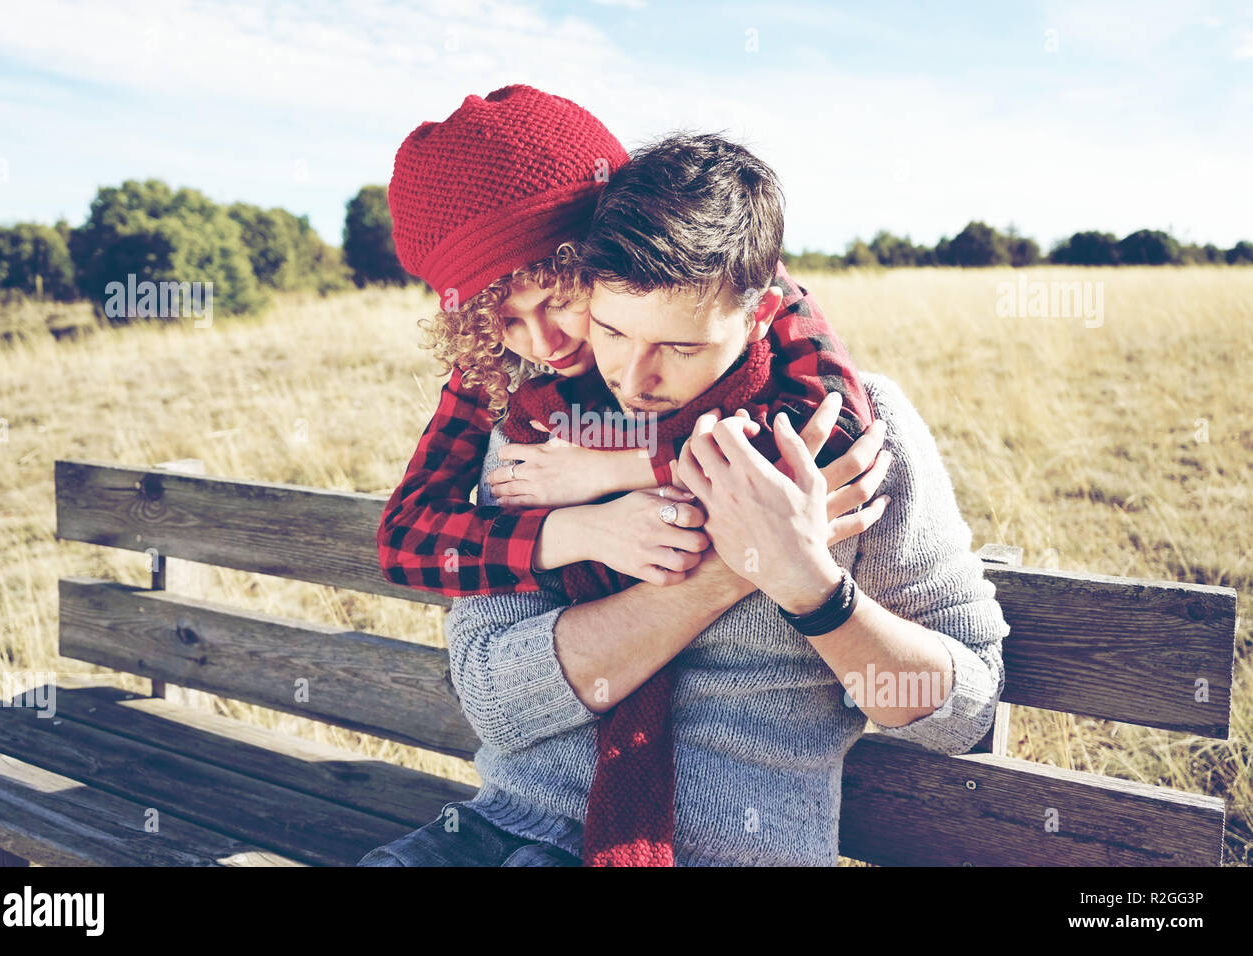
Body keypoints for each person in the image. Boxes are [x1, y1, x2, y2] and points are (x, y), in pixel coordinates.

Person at [360, 132, 1009, 867]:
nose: (633, 379)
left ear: (761, 313)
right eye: (610, 330)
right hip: (509, 826)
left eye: (680, 348)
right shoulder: (537, 432)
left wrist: (812, 589)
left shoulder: (846, 435)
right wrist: (726, 572)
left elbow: (962, 713)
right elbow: (493, 699)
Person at [375, 84, 887, 604]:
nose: (543, 343)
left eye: (560, 299)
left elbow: (834, 424)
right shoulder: (496, 361)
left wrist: (617, 469)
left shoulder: (719, 284)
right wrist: (584, 530)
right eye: (507, 321)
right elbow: (405, 538)